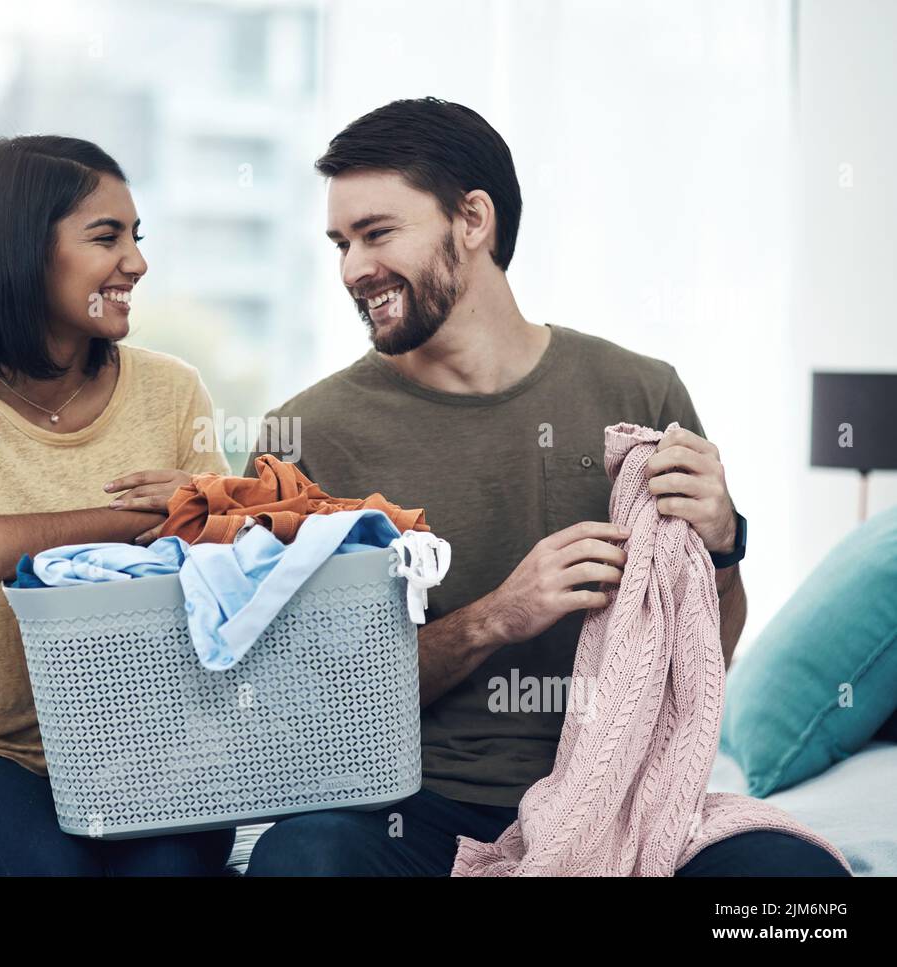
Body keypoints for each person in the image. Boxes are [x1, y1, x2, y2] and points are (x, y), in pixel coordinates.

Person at [242, 97, 847, 877]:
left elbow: (702, 657)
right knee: (302, 859)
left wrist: (725, 546)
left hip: (622, 794)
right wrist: (493, 617)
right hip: (414, 807)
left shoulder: (641, 392)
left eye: (377, 233)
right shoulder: (309, 436)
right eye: (341, 243)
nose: (353, 268)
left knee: (795, 881)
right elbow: (296, 703)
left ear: (473, 219)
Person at [0, 135, 235, 875]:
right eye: (107, 237)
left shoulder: (173, 391)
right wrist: (143, 519)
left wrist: (209, 514)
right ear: (22, 250)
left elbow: (226, 551)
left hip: (147, 747)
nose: (136, 262)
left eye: (136, 237)